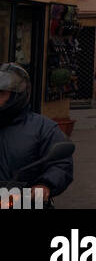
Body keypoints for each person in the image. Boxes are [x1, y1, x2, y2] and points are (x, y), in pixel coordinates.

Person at [0, 63, 73, 205]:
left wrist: (45, 185)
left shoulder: (43, 128)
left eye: (1, 93)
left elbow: (60, 164)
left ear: (17, 95)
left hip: (25, 201)